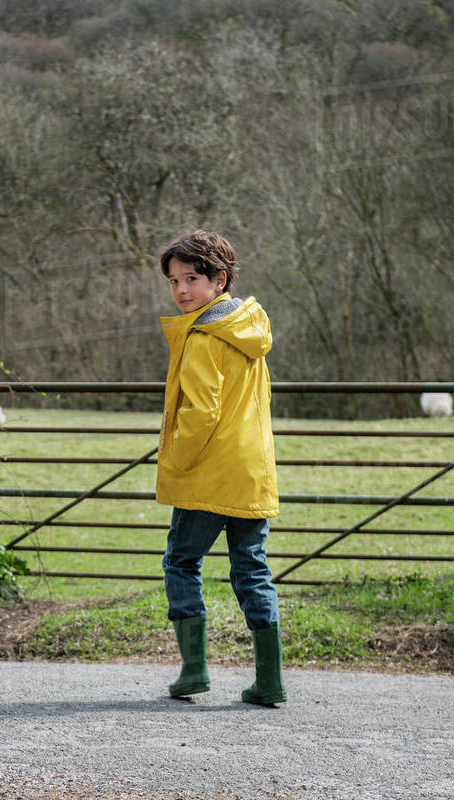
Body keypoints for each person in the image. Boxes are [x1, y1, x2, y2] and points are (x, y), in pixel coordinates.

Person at [155, 229, 286, 706]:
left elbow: (201, 413)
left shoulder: (203, 337)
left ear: (220, 279)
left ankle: (194, 671)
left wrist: (175, 460)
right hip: (251, 474)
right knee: (251, 571)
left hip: (208, 474)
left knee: (181, 562)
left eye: (191, 278)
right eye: (174, 281)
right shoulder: (251, 331)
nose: (181, 290)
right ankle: (269, 681)